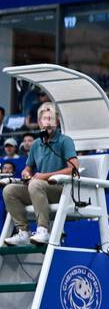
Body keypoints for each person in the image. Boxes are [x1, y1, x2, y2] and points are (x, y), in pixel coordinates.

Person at [2, 103, 78, 246]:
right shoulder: (36, 144)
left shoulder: (65, 141)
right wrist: (26, 173)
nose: (48, 123)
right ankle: (23, 233)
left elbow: (74, 168)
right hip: (38, 190)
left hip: (61, 190)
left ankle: (43, 230)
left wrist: (45, 176)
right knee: (9, 190)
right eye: (45, 119)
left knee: (36, 184)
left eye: (51, 119)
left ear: (57, 121)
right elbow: (28, 169)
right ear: (39, 122)